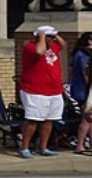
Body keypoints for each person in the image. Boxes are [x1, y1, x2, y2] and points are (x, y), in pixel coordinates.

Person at [18, 25, 64, 159]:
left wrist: (56, 35)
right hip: (35, 90)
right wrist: (42, 36)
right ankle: (24, 147)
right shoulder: (31, 47)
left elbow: (63, 45)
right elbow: (39, 51)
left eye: (52, 37)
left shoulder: (53, 47)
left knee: (49, 120)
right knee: (33, 120)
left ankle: (43, 147)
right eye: (49, 37)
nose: (52, 40)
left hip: (54, 90)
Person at [69, 31, 92, 155]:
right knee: (87, 117)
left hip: (88, 89)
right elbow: (86, 73)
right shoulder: (82, 54)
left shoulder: (91, 53)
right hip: (83, 90)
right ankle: (80, 145)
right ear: (89, 41)